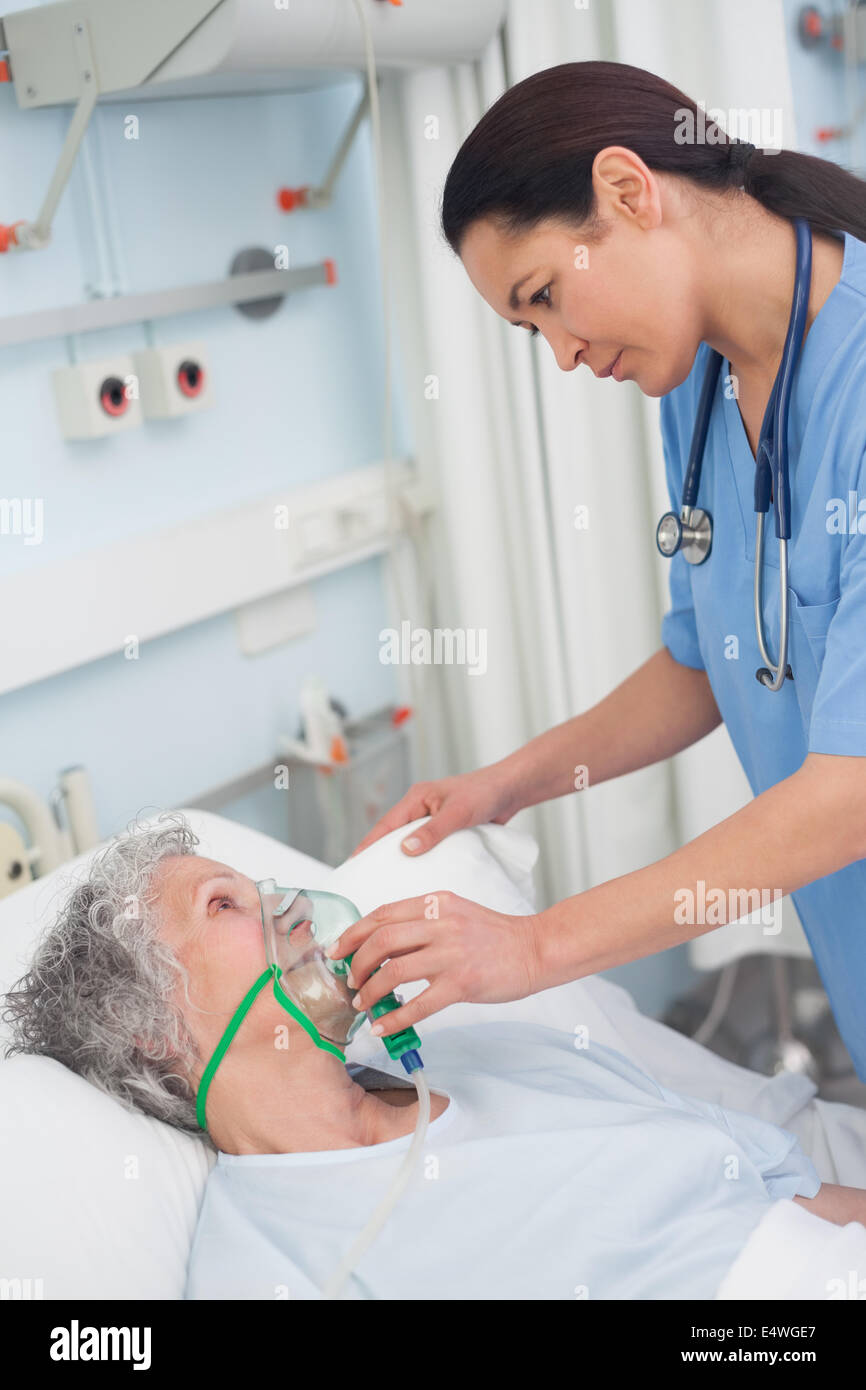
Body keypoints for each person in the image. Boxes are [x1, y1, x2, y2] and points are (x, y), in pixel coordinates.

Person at [338, 61, 866, 1083]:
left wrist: (531, 948)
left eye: (543, 298)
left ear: (628, 191)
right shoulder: (697, 384)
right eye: (525, 328)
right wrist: (504, 786)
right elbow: (709, 657)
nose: (563, 355)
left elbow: (848, 789)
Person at [3, 818, 866, 1300]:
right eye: (228, 904)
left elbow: (790, 1194)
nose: (293, 909)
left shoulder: (499, 1053)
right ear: (147, 1023)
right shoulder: (266, 1267)